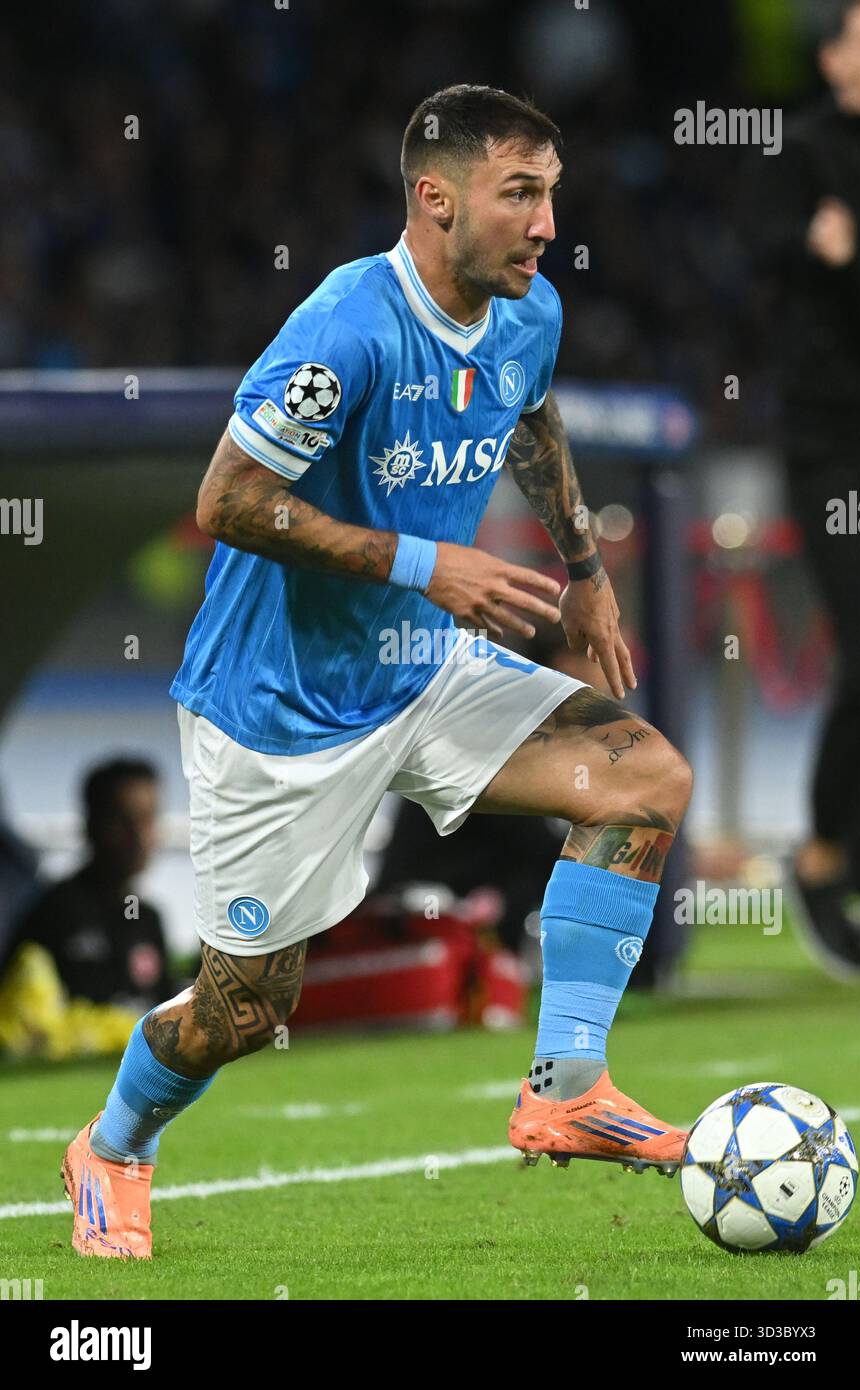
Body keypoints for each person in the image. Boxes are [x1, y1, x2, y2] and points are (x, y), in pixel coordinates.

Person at [62, 85, 693, 1260]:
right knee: (246, 1011)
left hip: (422, 668)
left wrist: (585, 570)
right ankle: (113, 1142)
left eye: (551, 192)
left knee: (641, 777)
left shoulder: (526, 313)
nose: (548, 222)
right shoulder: (343, 328)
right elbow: (227, 502)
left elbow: (531, 417)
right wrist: (426, 562)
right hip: (280, 706)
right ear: (435, 198)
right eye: (520, 194)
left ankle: (566, 1085)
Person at [745, 0, 860, 979]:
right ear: (830, 58)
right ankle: (824, 853)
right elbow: (751, 257)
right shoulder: (800, 151)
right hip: (834, 444)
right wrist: (806, 246)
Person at [2, 759, 175, 1010]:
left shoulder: (145, 916)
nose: (138, 836)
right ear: (91, 825)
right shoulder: (51, 913)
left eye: (147, 819)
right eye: (123, 821)